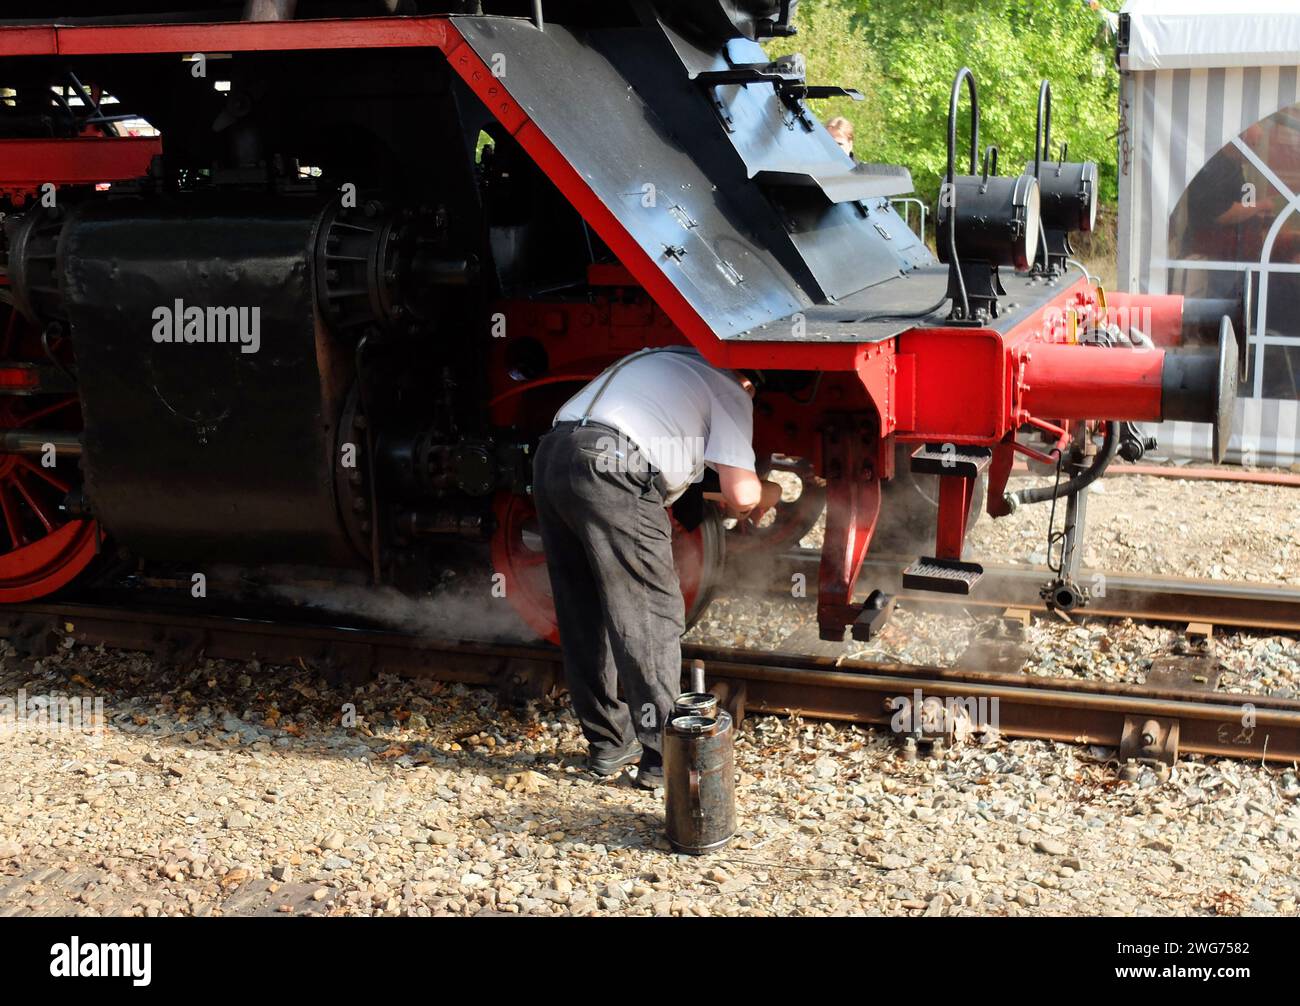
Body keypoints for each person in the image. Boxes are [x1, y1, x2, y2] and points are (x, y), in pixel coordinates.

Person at [531, 348, 781, 789]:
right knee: (650, 614)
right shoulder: (731, 386)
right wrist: (766, 493)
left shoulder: (663, 358)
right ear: (749, 380)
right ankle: (664, 758)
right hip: (615, 469)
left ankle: (608, 743)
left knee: (580, 607)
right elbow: (742, 495)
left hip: (555, 454)